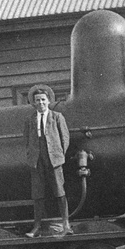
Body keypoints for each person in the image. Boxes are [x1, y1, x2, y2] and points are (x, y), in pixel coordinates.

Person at [23, 84, 71, 237]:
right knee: (37, 194)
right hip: (37, 160)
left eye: (43, 100)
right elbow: (27, 140)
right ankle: (36, 227)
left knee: (59, 191)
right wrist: (32, 155)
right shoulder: (30, 120)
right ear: (34, 102)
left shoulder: (57, 117)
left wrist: (58, 156)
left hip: (53, 159)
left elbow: (65, 138)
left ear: (48, 100)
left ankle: (66, 225)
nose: (40, 103)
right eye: (37, 100)